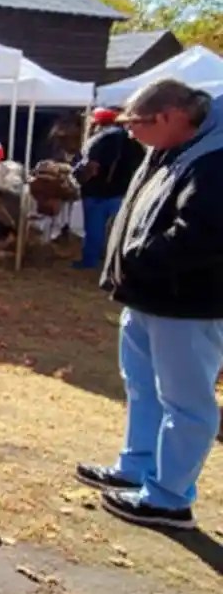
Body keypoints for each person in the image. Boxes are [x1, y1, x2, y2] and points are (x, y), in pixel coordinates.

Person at [76, 80, 223, 531]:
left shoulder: (215, 159)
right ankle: (137, 468)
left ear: (168, 117)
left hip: (186, 303)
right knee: (142, 388)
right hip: (148, 296)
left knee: (186, 402)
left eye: (137, 124)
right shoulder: (173, 149)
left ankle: (169, 497)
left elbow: (204, 234)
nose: (130, 133)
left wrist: (140, 260)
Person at [71, 108, 145, 270]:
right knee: (120, 231)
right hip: (122, 193)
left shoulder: (99, 140)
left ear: (97, 123)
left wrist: (78, 179)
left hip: (97, 192)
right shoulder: (134, 141)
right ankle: (117, 264)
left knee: (94, 229)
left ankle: (90, 261)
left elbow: (91, 168)